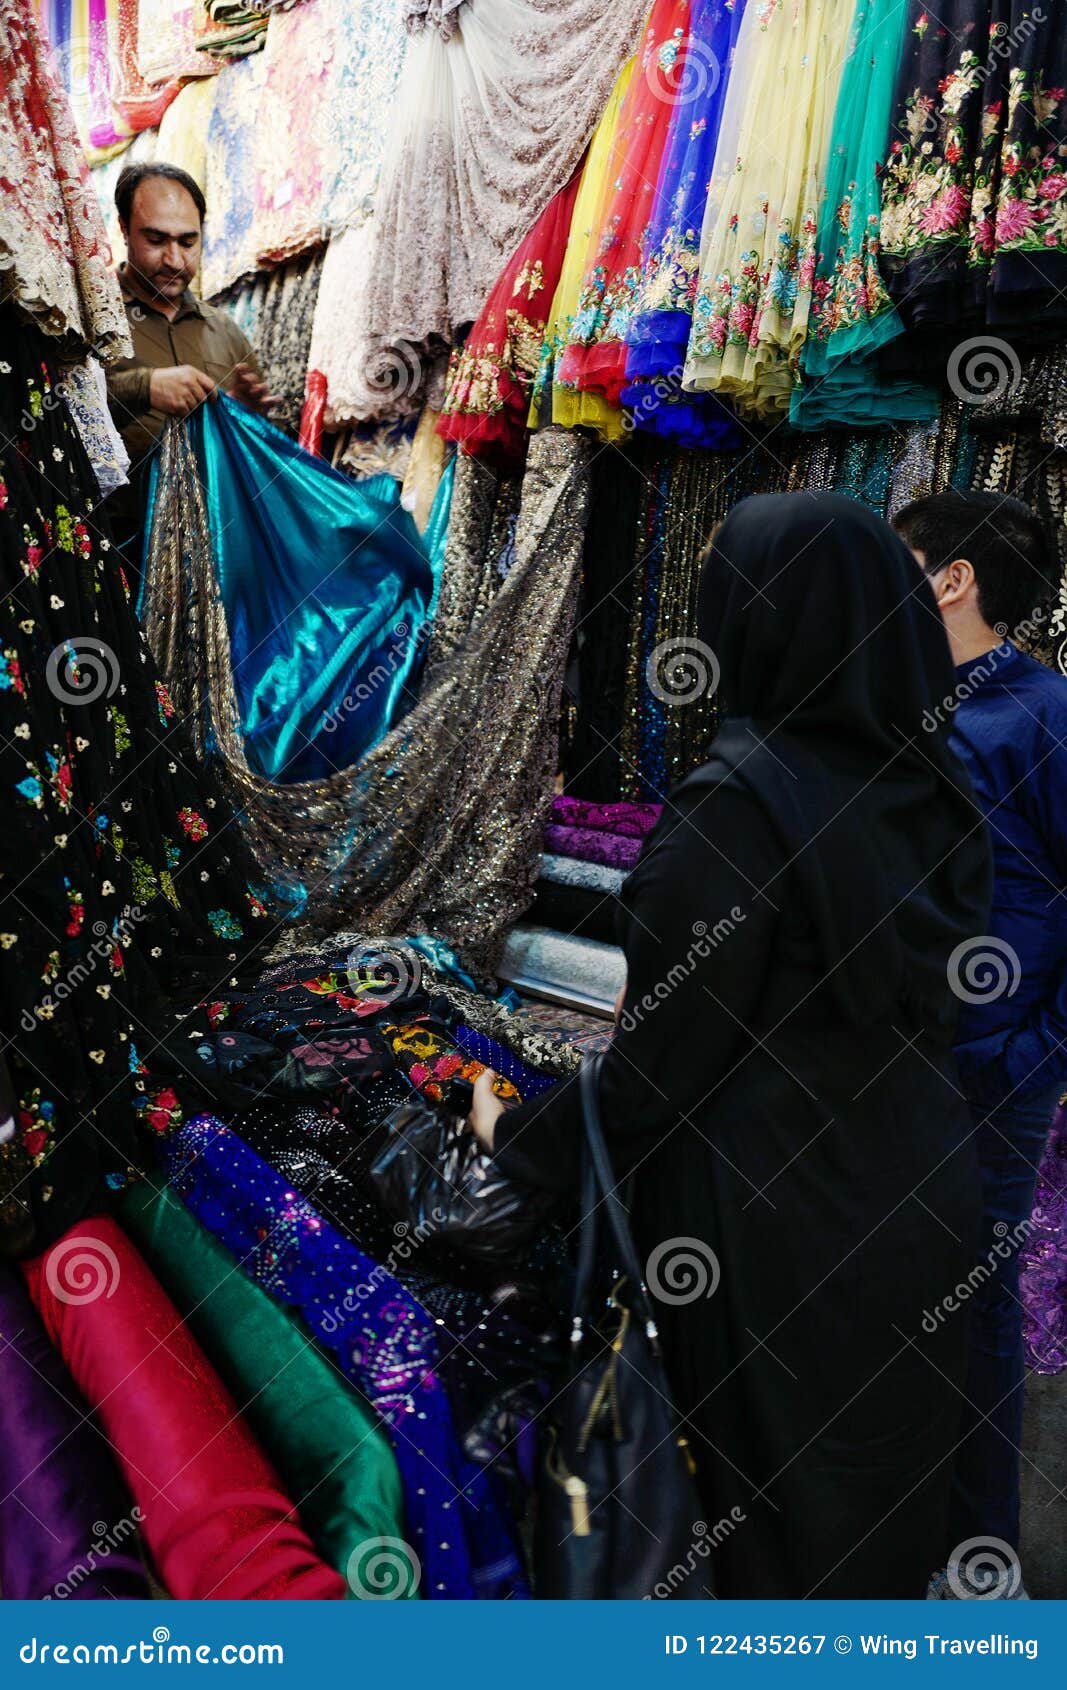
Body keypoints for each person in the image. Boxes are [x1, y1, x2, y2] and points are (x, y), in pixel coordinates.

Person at [470, 492, 991, 1598]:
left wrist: (514, 1136)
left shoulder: (740, 808)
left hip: (770, 1231)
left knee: (766, 1530)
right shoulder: (932, 787)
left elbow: (662, 1070)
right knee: (876, 1514)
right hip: (913, 1199)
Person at [892, 490, 1065, 1587]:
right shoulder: (910, 702)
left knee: (973, 1317)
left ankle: (977, 1568)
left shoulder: (1041, 715)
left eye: (896, 564)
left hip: (990, 1074)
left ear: (949, 578)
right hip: (898, 1063)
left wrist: (1027, 1053)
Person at [103, 162, 275, 581]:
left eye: (188, 241)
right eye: (156, 240)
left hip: (213, 567)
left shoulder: (224, 331)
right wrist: (143, 388)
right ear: (124, 229)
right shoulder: (92, 318)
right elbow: (48, 411)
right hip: (118, 561)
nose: (174, 260)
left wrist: (257, 421)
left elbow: (262, 464)